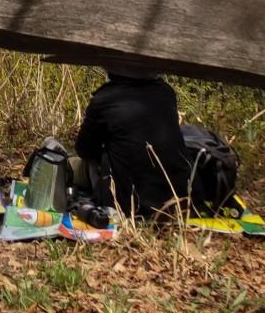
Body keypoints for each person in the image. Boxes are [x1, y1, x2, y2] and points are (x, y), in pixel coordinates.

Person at [74, 64, 195, 216]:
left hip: (129, 205)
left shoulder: (104, 99)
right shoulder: (166, 93)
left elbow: (85, 149)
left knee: (89, 162)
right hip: (176, 201)